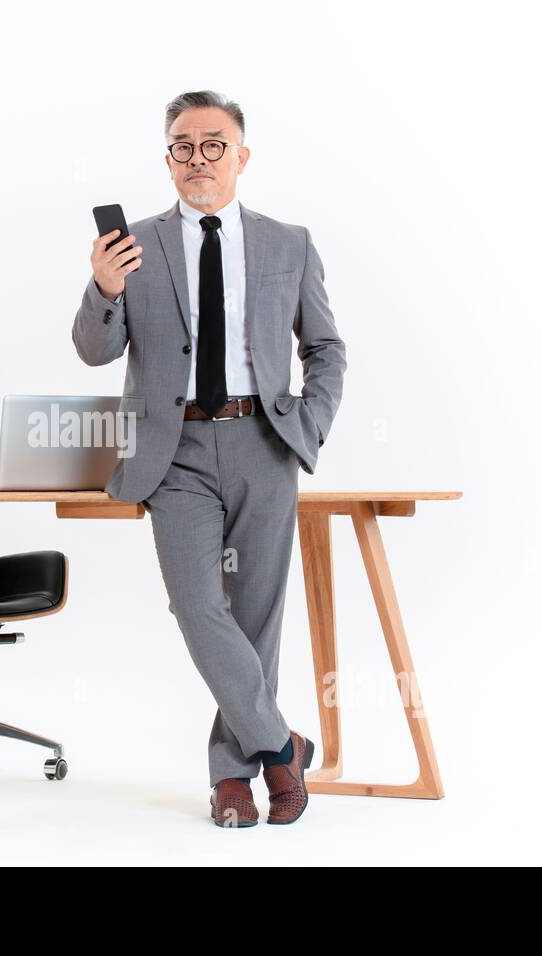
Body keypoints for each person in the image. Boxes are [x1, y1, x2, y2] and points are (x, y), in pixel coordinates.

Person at [71, 90, 347, 827]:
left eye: (213, 144)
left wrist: (309, 424)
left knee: (256, 615)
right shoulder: (135, 245)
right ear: (168, 161)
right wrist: (104, 287)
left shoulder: (289, 242)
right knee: (198, 604)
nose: (198, 158)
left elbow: (324, 349)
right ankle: (281, 748)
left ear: (241, 156)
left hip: (264, 441)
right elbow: (96, 351)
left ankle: (232, 777)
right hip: (177, 450)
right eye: (183, 146)